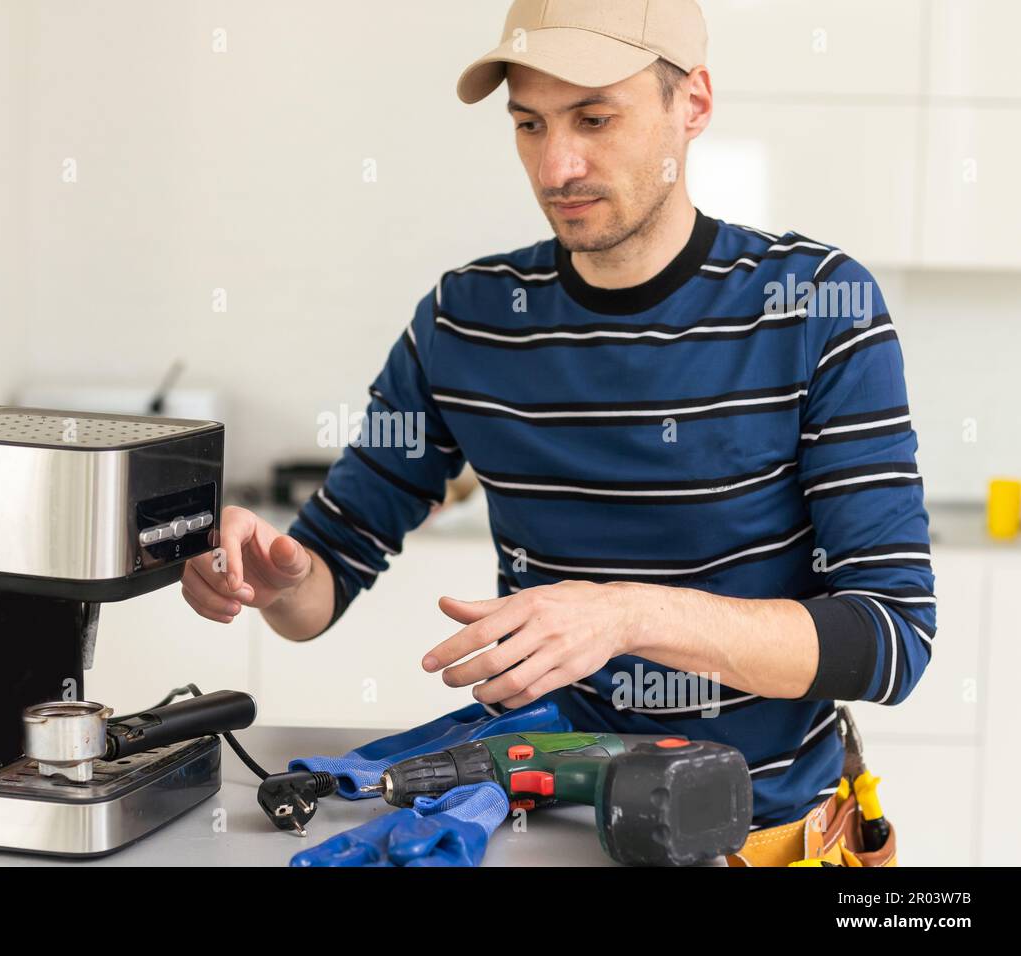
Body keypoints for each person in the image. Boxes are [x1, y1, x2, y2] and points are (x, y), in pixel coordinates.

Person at [179, 0, 934, 839]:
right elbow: (326, 574)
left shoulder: (817, 307)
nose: (556, 166)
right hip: (541, 830)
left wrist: (626, 613)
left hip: (757, 837)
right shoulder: (465, 321)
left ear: (693, 105)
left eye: (595, 118)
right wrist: (274, 578)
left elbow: (893, 637)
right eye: (530, 124)